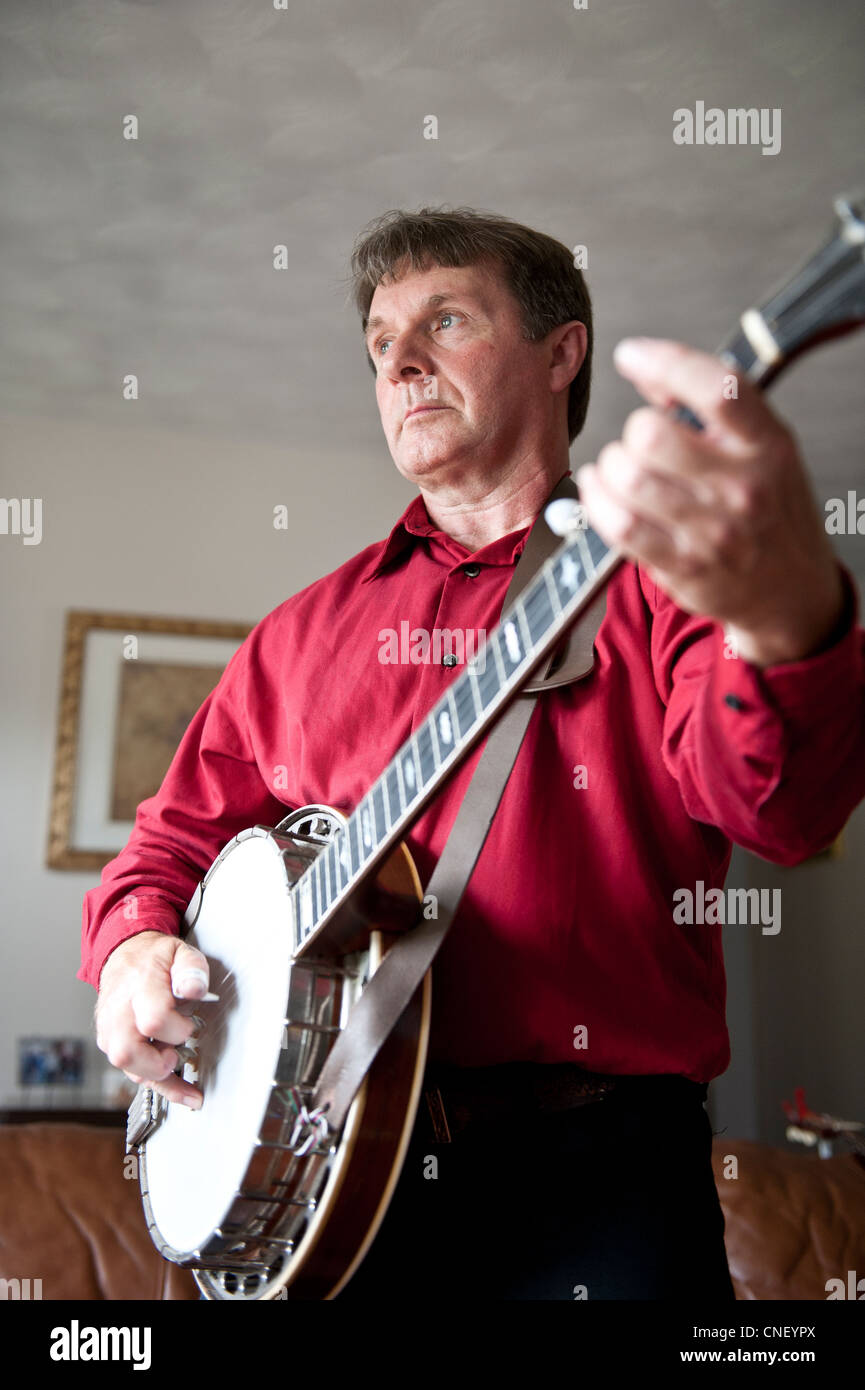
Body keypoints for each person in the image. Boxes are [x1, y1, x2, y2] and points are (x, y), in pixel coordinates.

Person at [81, 206, 865, 1300]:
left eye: (443, 320)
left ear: (561, 352)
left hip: (600, 1182)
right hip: (334, 1181)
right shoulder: (295, 636)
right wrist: (130, 951)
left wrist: (787, 617)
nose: (397, 361)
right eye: (378, 345)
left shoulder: (666, 573)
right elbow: (161, 851)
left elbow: (779, 810)